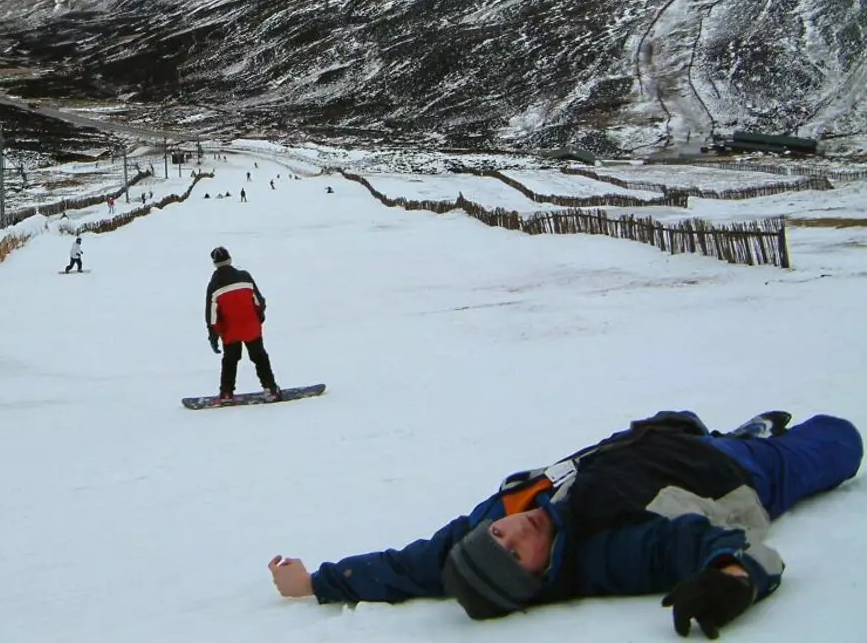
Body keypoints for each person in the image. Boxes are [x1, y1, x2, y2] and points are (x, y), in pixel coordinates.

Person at [269, 409, 862, 638]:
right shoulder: (610, 554)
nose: (513, 533)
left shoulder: (496, 522)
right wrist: (733, 579)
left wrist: (318, 582)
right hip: (735, 471)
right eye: (515, 552)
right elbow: (718, 548)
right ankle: (755, 437)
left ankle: (742, 425)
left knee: (708, 427)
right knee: (841, 438)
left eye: (496, 537)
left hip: (649, 439)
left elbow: (409, 567)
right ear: (537, 579)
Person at [205, 246, 280, 403]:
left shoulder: (214, 285)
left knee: (230, 360)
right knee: (259, 357)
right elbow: (259, 302)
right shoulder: (245, 277)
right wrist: (259, 318)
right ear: (230, 260)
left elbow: (211, 316)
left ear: (215, 264)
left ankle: (226, 394)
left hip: (230, 330)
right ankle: (271, 389)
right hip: (251, 326)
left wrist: (214, 335)